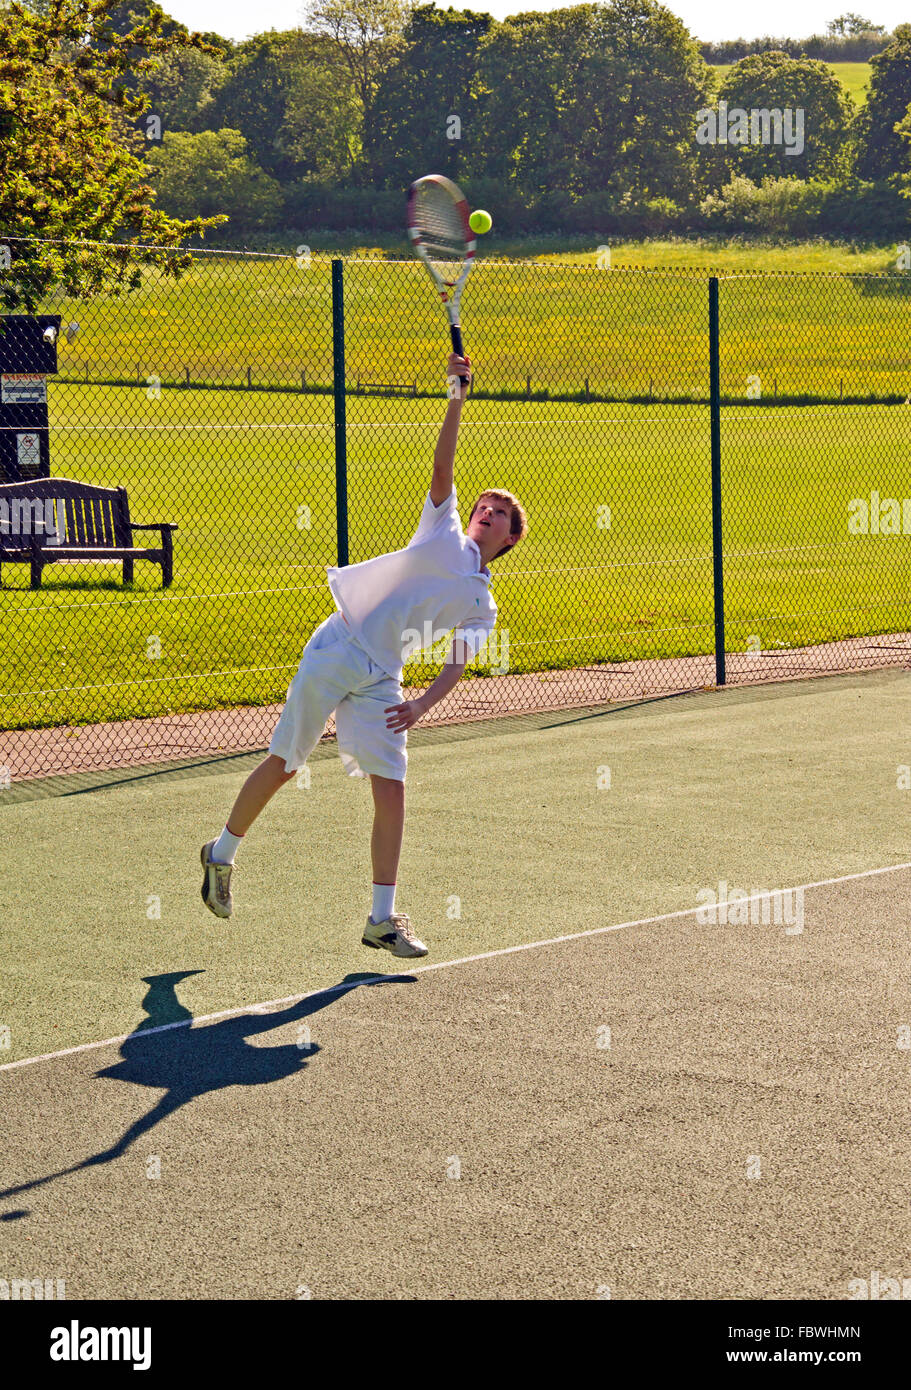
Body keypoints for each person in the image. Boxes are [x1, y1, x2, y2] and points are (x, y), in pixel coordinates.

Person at [201, 352, 528, 957]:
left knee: (393, 788)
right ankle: (221, 854)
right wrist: (457, 396)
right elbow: (442, 463)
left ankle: (382, 918)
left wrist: (423, 704)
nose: (486, 511)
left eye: (499, 513)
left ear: (509, 538)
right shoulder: (441, 532)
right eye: (484, 505)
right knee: (286, 764)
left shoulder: (481, 603)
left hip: (382, 676)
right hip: (338, 646)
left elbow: (457, 659)